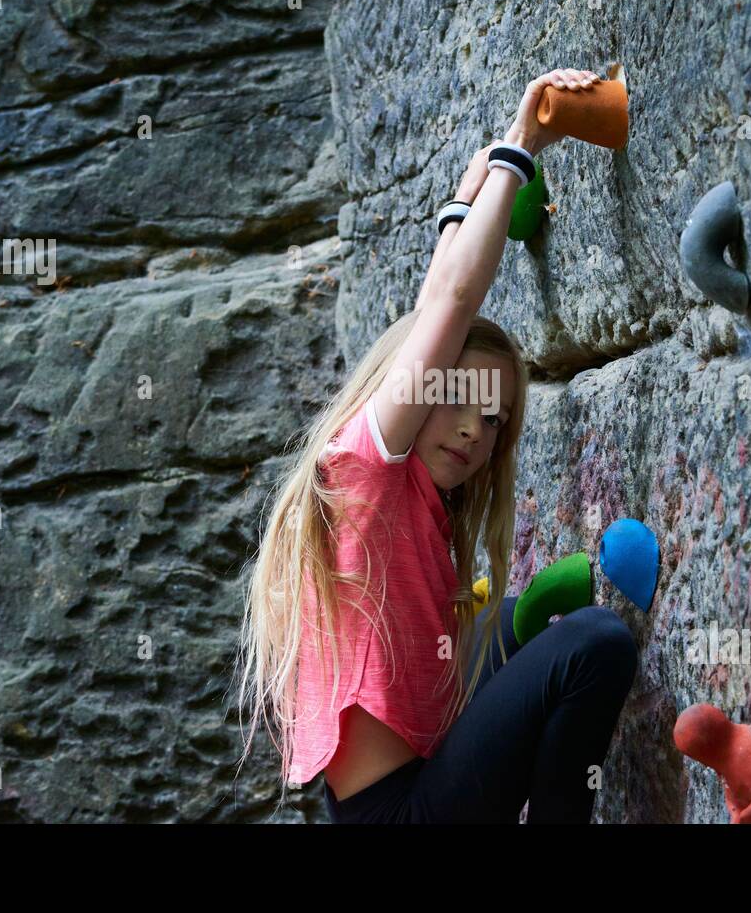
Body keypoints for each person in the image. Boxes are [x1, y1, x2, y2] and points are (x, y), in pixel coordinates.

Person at [236, 68, 638, 822]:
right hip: (401, 815)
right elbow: (450, 304)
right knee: (595, 643)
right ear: (418, 391)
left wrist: (467, 193)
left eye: (495, 421)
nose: (474, 430)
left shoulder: (410, 498)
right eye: (459, 400)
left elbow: (432, 302)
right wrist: (522, 142)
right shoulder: (366, 469)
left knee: (510, 625)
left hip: (403, 797)